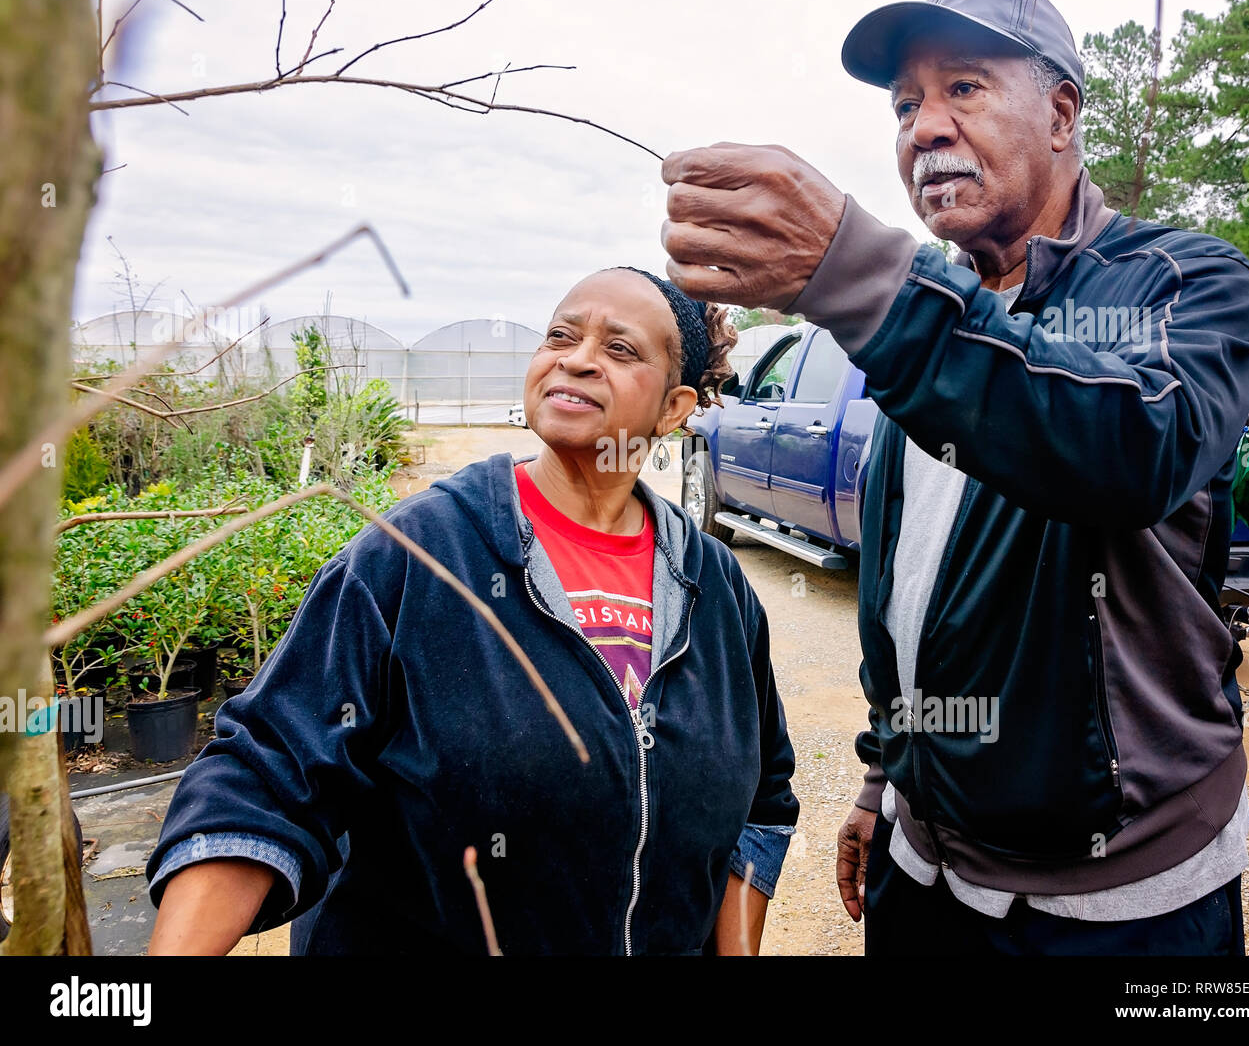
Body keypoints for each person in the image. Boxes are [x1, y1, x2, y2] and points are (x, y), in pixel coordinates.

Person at [660, 0, 1249, 955]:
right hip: (923, 869)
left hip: (1117, 907)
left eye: (964, 89)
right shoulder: (922, 327)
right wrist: (882, 778)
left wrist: (857, 276)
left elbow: (1127, 449)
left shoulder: (1184, 282)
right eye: (905, 105)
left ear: (1062, 112)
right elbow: (909, 590)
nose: (923, 127)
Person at [144, 266, 799, 956]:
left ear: (673, 408)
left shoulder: (715, 587)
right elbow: (268, 773)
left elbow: (764, 805)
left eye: (620, 349)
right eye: (560, 336)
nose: (576, 358)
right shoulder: (417, 555)